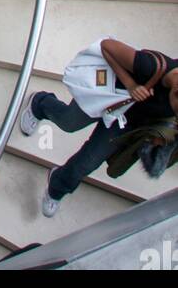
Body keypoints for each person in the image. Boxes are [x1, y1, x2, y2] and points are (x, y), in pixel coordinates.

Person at [20, 39, 178, 217]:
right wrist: (131, 85)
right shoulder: (149, 66)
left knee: (88, 162)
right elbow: (106, 46)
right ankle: (40, 104)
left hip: (124, 121)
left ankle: (57, 185)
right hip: (108, 96)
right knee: (68, 122)